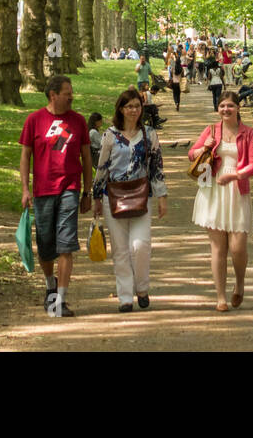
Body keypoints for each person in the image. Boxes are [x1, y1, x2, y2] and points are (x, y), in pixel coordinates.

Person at [19, 75, 93, 317]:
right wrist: (25, 189)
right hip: (42, 191)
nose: (71, 96)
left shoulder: (79, 121)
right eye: (67, 92)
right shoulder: (34, 120)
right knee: (45, 246)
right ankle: (50, 284)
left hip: (69, 188)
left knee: (66, 244)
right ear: (53, 95)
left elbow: (86, 157)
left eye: (71, 92)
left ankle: (60, 300)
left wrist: (87, 191)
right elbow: (25, 156)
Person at [94, 89, 169, 312]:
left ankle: (142, 287)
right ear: (121, 109)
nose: (134, 110)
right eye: (129, 107)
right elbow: (102, 167)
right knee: (120, 249)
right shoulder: (110, 135)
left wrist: (162, 196)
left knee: (140, 245)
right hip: (112, 197)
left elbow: (157, 167)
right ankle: (125, 297)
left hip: (141, 196)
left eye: (137, 106)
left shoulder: (149, 134)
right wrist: (96, 196)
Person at [188, 91, 253, 311]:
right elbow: (192, 154)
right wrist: (204, 147)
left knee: (237, 248)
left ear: (238, 108)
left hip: (237, 190)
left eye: (230, 106)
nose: (226, 110)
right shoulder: (211, 130)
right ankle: (220, 297)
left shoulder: (248, 133)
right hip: (213, 190)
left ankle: (239, 283)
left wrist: (235, 176)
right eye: (222, 106)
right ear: (218, 109)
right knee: (218, 247)